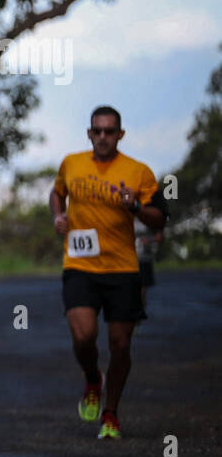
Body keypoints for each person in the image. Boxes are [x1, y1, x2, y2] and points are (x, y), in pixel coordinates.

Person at [50, 106, 166, 438]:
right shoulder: (71, 163)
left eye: (109, 131)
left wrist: (136, 207)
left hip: (122, 268)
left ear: (120, 135)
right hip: (80, 265)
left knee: (120, 344)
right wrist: (58, 216)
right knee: (84, 336)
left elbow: (159, 218)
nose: (103, 137)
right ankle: (91, 379)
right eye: (97, 131)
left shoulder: (138, 171)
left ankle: (111, 414)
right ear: (89, 133)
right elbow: (56, 194)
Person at [133, 217, 163, 318]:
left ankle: (139, 311)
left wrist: (150, 240)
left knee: (142, 289)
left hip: (144, 259)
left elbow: (159, 236)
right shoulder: (123, 213)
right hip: (127, 259)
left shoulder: (149, 214)